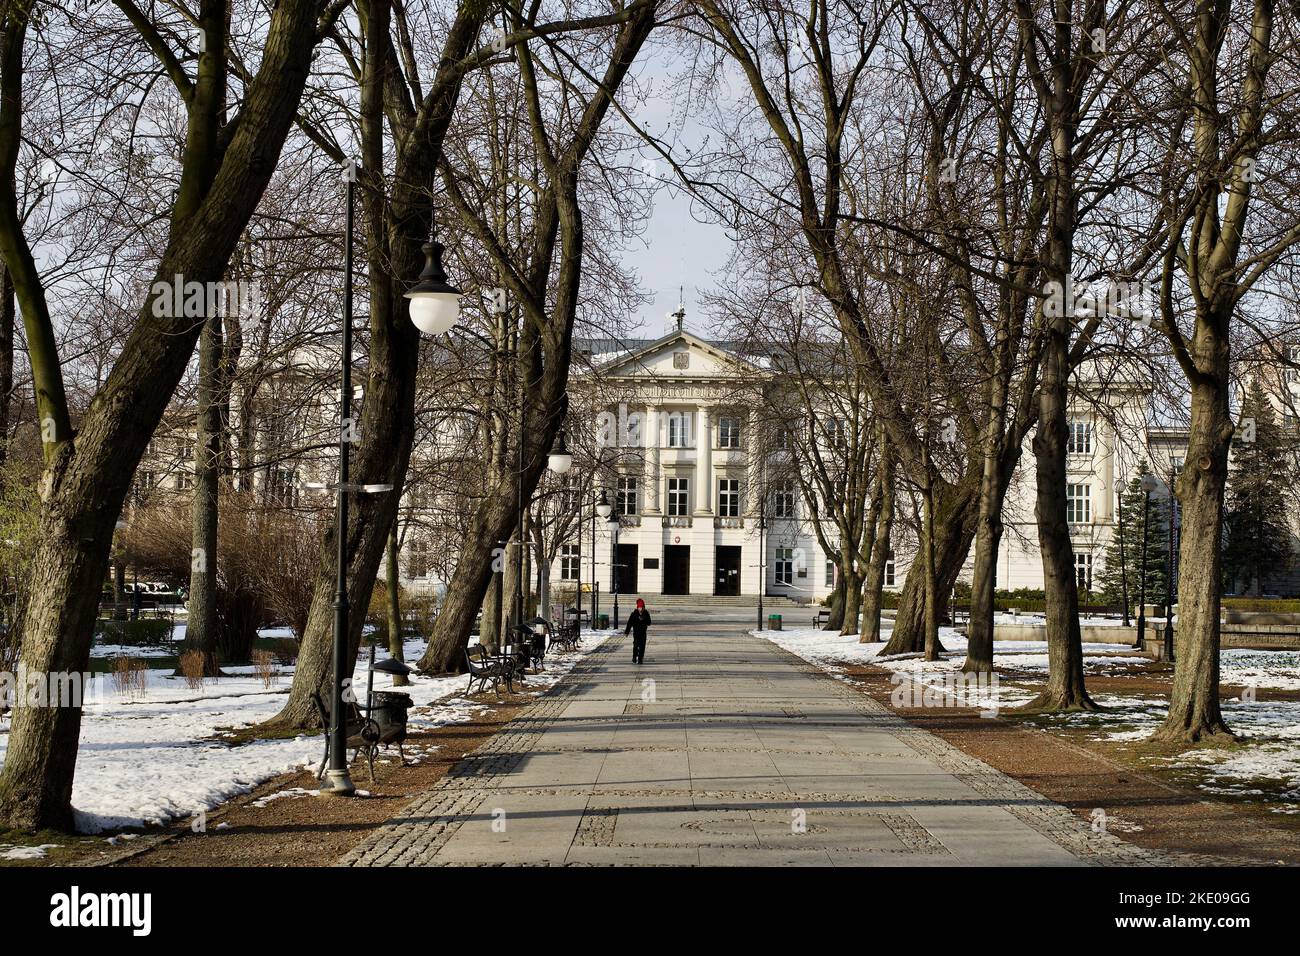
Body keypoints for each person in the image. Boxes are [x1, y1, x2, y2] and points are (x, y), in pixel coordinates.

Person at [625, 598, 652, 664]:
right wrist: (627, 632)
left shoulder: (646, 613)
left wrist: (644, 619)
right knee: (636, 645)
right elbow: (629, 623)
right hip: (636, 633)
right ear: (637, 607)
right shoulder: (634, 614)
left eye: (642, 607)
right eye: (640, 607)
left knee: (642, 646)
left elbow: (649, 622)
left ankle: (640, 659)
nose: (641, 609)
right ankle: (634, 657)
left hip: (643, 633)